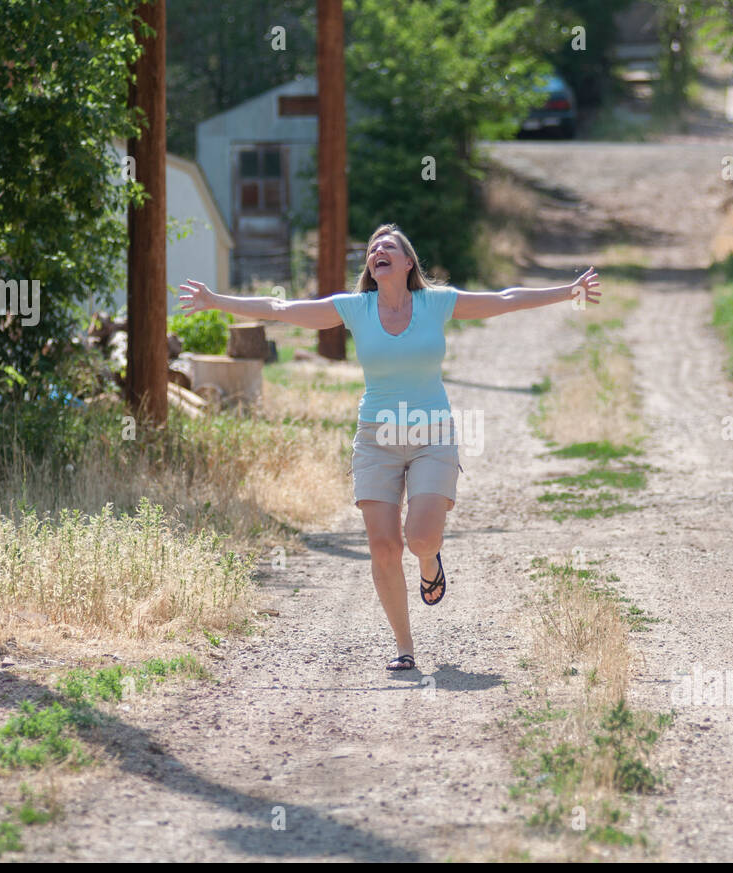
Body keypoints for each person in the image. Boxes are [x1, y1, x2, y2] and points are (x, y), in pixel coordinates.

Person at [179, 223, 600, 671]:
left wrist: (567, 291)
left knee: (421, 538)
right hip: (375, 440)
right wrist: (215, 300)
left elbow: (506, 299)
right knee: (383, 548)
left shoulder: (436, 303)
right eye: (372, 248)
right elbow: (280, 308)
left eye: (388, 246)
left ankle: (429, 561)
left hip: (431, 436)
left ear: (407, 262)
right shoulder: (355, 308)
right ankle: (405, 647)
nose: (377, 250)